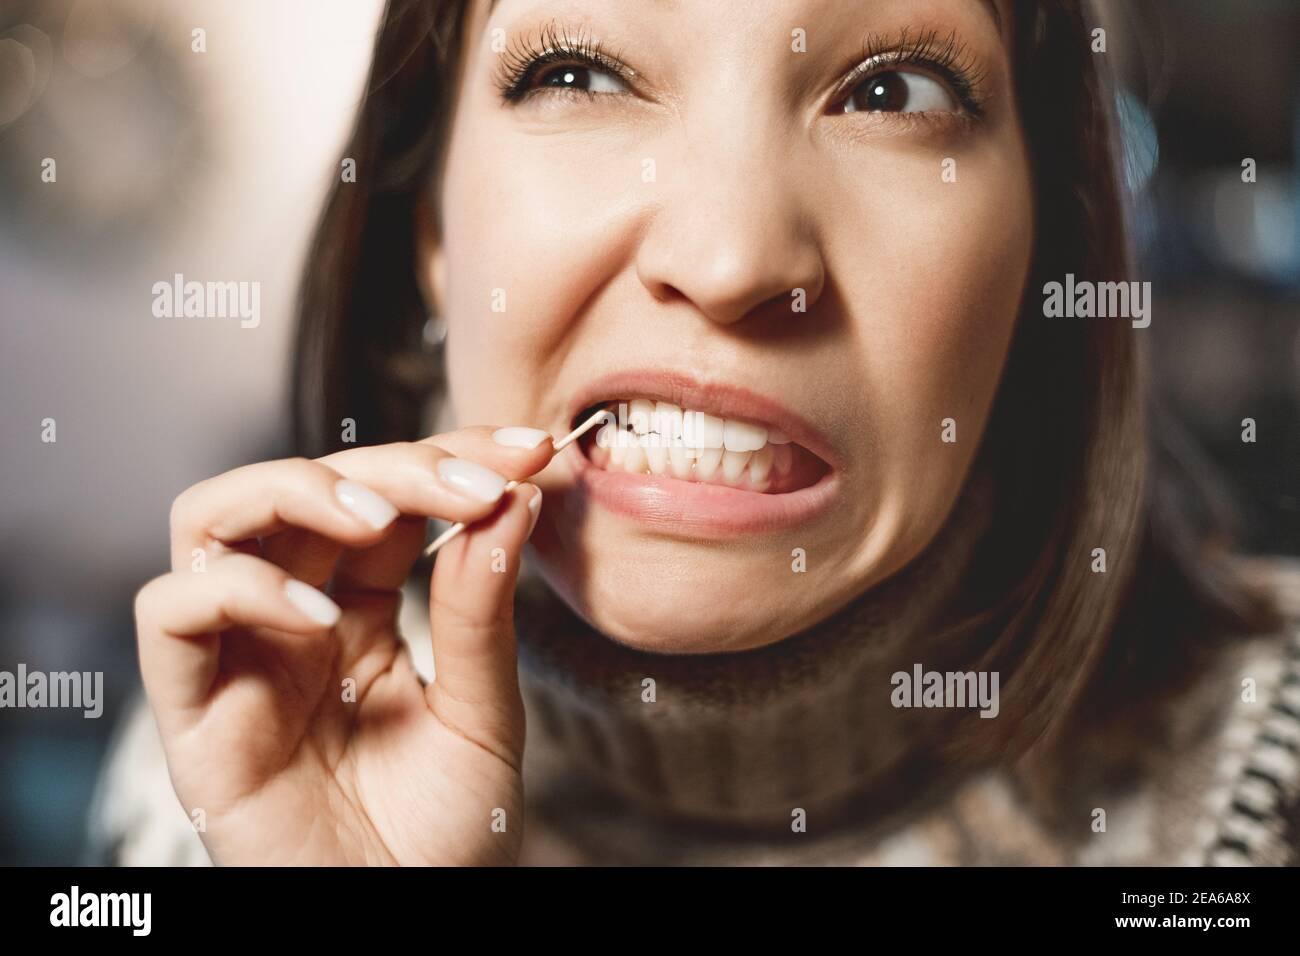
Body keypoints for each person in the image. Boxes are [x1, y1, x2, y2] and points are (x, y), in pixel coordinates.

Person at [93, 0, 1299, 865]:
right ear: (432, 236)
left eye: (893, 91)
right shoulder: (232, 744)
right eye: (581, 73)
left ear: (1048, 246)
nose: (730, 260)